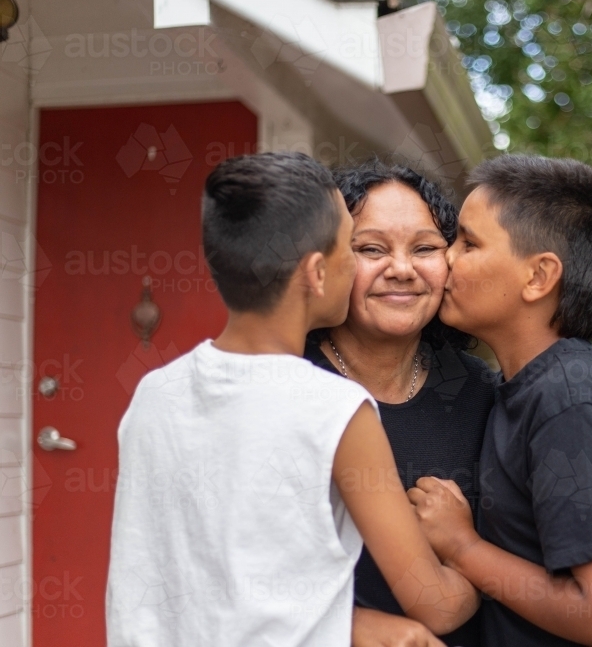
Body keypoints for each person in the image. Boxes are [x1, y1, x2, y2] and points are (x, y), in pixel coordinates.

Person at [302, 159, 592, 647]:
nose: (404, 268)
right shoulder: (285, 390)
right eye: (371, 248)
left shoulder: (496, 393)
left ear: (539, 276)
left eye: (432, 247)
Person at [106, 153, 477, 646]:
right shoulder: (336, 410)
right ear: (318, 273)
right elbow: (434, 603)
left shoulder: (155, 394)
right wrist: (478, 567)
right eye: (355, 246)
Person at [407, 154, 592, 646]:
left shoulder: (567, 402)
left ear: (538, 277)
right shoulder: (524, 389)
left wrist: (462, 546)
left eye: (469, 242)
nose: (446, 257)